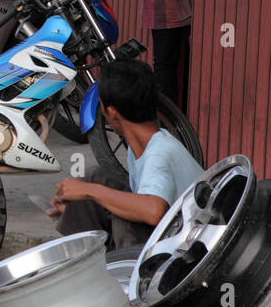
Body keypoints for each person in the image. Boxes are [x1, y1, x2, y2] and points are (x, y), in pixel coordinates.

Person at [49, 59, 204, 249]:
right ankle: (88, 259)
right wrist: (77, 209)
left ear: (112, 112)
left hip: (189, 249)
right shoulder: (142, 145)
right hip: (174, 234)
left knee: (125, 218)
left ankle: (122, 276)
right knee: (94, 177)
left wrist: (89, 192)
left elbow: (153, 211)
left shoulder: (159, 153)